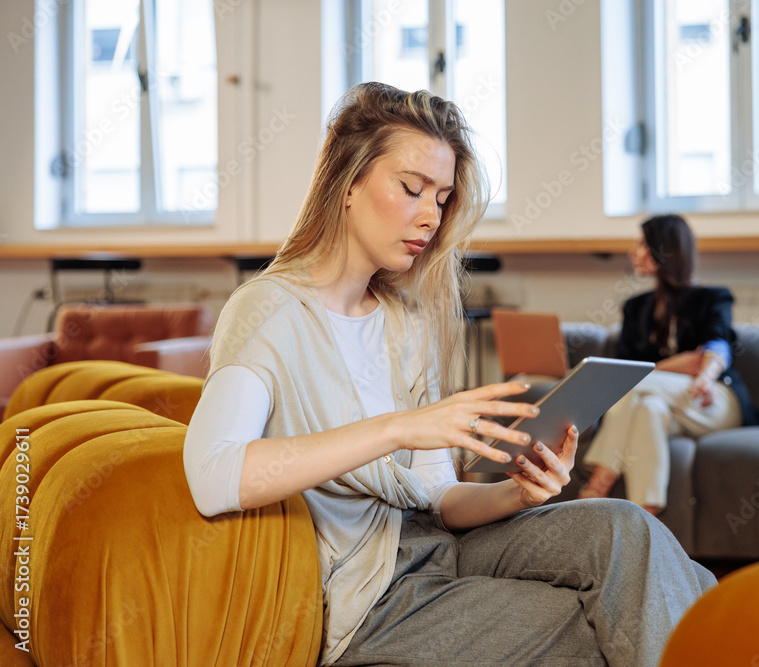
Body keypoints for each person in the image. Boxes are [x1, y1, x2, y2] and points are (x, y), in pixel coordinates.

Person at [183, 83, 715, 666]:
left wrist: (517, 493)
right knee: (613, 619)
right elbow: (213, 475)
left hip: (440, 549)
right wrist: (398, 428)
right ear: (347, 182)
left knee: (628, 533)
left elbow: (438, 498)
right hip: (371, 597)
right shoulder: (267, 310)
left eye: (441, 198)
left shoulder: (404, 322)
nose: (429, 217)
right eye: (411, 189)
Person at [579, 214, 759, 515]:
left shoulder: (713, 298)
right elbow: (623, 369)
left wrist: (704, 376)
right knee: (648, 408)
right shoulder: (635, 308)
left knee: (631, 386)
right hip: (663, 404)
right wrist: (671, 366)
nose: (632, 252)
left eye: (641, 244)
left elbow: (717, 344)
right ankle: (645, 513)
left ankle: (597, 485)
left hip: (710, 398)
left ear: (664, 249)